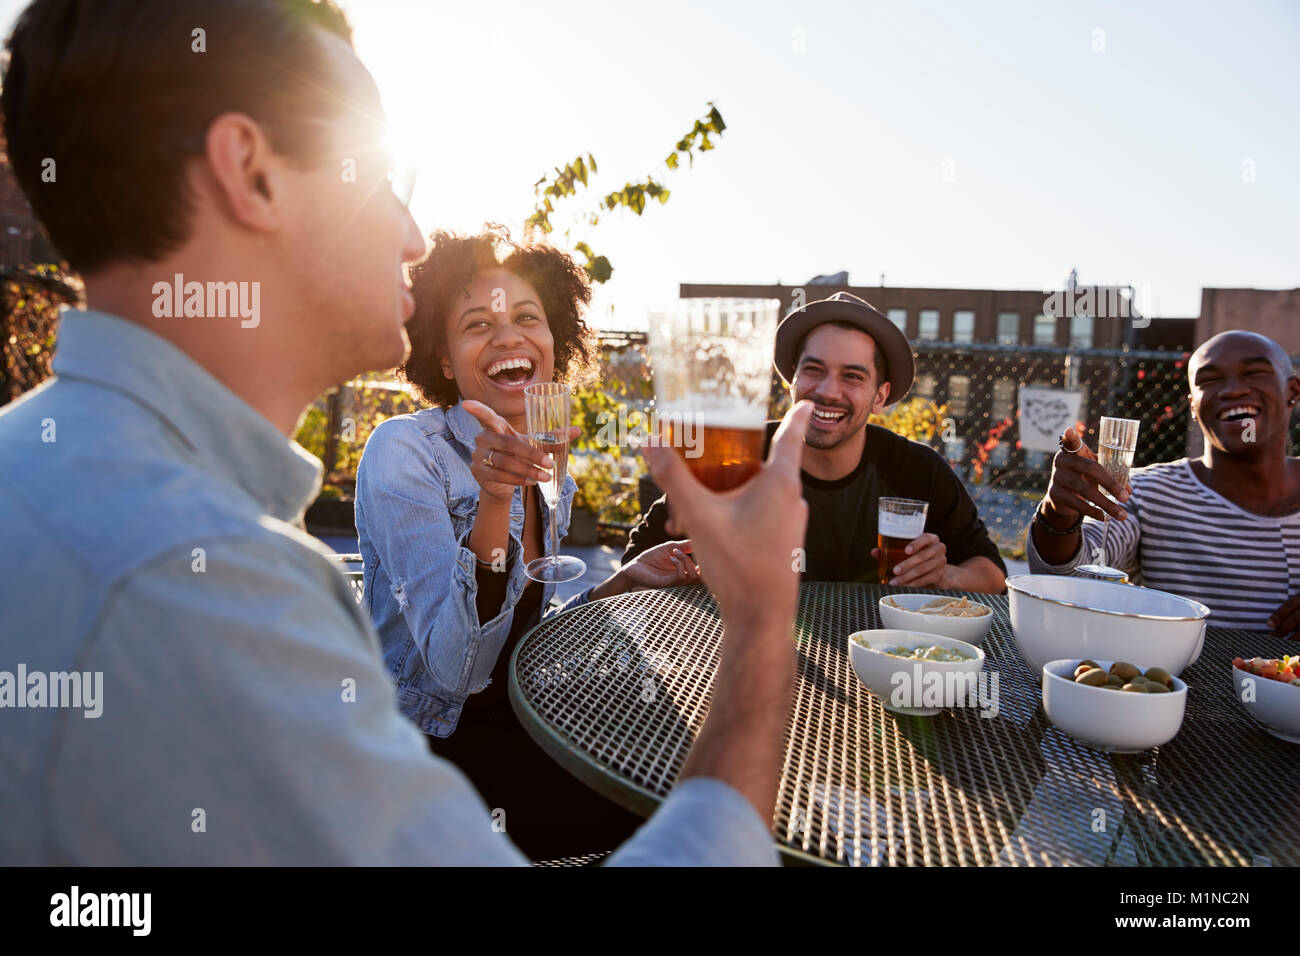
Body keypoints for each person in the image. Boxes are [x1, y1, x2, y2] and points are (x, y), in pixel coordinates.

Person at [0, 0, 812, 865]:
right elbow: (457, 672)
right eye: (383, 183)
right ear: (251, 172)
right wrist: (763, 617)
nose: (415, 235)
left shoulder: (69, 476)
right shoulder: (201, 580)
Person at [354, 229, 702, 859]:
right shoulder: (403, 451)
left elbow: (524, 622)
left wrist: (622, 582)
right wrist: (492, 500)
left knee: (684, 750)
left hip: (522, 707)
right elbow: (460, 669)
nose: (509, 336)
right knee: (663, 812)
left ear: (553, 341)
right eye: (477, 323)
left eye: (526, 318)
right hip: (430, 748)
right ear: (443, 356)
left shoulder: (546, 458)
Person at [626, 291, 1007, 593]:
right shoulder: (733, 454)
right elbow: (638, 562)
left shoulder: (917, 469)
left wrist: (945, 577)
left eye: (853, 376)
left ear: (880, 396)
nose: (828, 391)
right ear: (791, 380)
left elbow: (992, 575)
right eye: (813, 369)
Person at [1028, 330, 1300, 637]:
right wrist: (1058, 515)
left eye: (1254, 373)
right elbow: (1070, 579)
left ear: (1292, 391)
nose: (1233, 390)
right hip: (1192, 685)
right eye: (1209, 380)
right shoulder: (1146, 493)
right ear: (1194, 407)